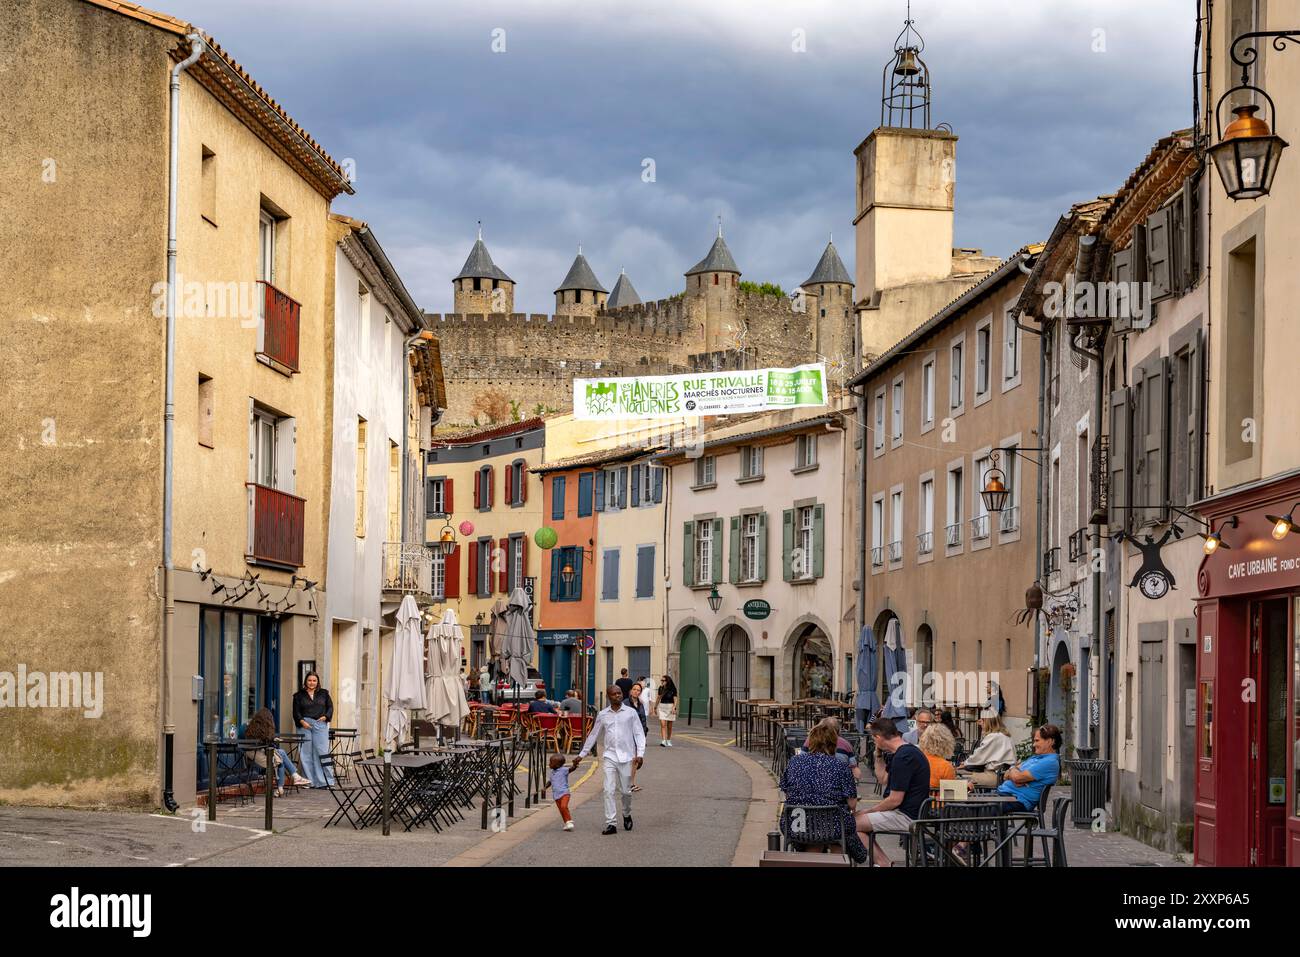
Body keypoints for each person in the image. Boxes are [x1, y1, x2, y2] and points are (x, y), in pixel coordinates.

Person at [779, 723, 869, 864]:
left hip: (796, 825)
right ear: (834, 743)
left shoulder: (794, 762)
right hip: (832, 825)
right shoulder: (841, 767)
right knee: (837, 833)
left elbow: (788, 795)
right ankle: (841, 861)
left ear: (811, 741)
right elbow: (852, 804)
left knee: (817, 833)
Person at [855, 717, 929, 867]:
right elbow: (882, 778)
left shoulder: (904, 757)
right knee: (856, 824)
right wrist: (878, 754)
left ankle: (884, 864)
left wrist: (869, 810)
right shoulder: (904, 752)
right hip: (909, 813)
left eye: (874, 740)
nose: (874, 743)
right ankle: (885, 863)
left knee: (851, 823)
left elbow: (895, 799)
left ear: (878, 737)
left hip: (906, 816)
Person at [573, 684, 646, 835]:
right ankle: (611, 823)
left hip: (626, 757)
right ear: (608, 697)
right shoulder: (603, 714)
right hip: (610, 756)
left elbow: (639, 733)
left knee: (626, 792)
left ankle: (626, 814)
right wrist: (582, 754)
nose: (618, 696)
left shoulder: (631, 713)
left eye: (619, 693)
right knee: (608, 790)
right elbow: (593, 734)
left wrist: (640, 754)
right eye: (614, 694)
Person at [244, 707, 311, 796]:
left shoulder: (250, 728)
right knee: (281, 755)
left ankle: (283, 787)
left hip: (255, 754)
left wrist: (271, 740)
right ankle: (290, 780)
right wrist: (272, 740)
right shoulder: (256, 730)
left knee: (280, 757)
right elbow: (264, 745)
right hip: (256, 755)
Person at [996, 723, 1062, 812]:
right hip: (1005, 796)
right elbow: (1006, 775)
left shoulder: (1049, 762)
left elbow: (1016, 777)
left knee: (977, 808)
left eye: (1037, 741)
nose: (1034, 745)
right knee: (973, 804)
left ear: (1050, 741)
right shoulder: (1036, 758)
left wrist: (1014, 773)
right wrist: (1013, 770)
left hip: (1017, 800)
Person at [292, 672, 335, 787]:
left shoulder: (324, 693)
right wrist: (302, 721)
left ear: (317, 682)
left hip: (320, 724)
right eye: (309, 680)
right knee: (306, 753)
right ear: (306, 681)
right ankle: (309, 781)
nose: (312, 683)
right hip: (304, 724)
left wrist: (326, 716)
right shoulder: (298, 695)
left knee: (322, 752)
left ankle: (326, 781)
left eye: (314, 680)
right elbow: (296, 711)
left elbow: (330, 707)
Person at [804, 716, 861, 781]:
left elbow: (801, 760)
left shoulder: (810, 741)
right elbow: (856, 773)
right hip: (839, 782)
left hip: (812, 782)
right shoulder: (845, 744)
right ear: (838, 730)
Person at [919, 723, 957, 789]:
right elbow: (950, 793)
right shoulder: (946, 766)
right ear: (946, 742)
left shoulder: (917, 760)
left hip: (917, 798)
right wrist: (964, 787)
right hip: (935, 798)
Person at [627, 682, 649, 792]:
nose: (636, 691)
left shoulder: (640, 704)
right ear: (631, 690)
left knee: (635, 761)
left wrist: (644, 734)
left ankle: (631, 783)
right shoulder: (626, 703)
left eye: (638, 690)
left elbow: (643, 720)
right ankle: (628, 784)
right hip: (628, 736)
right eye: (634, 689)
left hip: (638, 736)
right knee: (631, 760)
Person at [544, 753, 574, 831]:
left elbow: (571, 769)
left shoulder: (563, 770)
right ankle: (567, 823)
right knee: (561, 810)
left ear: (557, 765)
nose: (549, 764)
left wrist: (575, 764)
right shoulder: (552, 773)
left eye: (551, 763)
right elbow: (550, 781)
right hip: (556, 795)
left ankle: (569, 821)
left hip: (564, 793)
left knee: (564, 806)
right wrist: (545, 787)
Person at [657, 673, 678, 747]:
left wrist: (674, 707)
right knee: (663, 724)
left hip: (670, 707)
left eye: (663, 680)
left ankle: (668, 740)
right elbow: (658, 698)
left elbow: (675, 699)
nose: (662, 681)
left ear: (667, 681)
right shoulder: (660, 688)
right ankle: (663, 740)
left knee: (669, 726)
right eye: (661, 680)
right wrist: (655, 706)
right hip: (662, 707)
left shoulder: (673, 689)